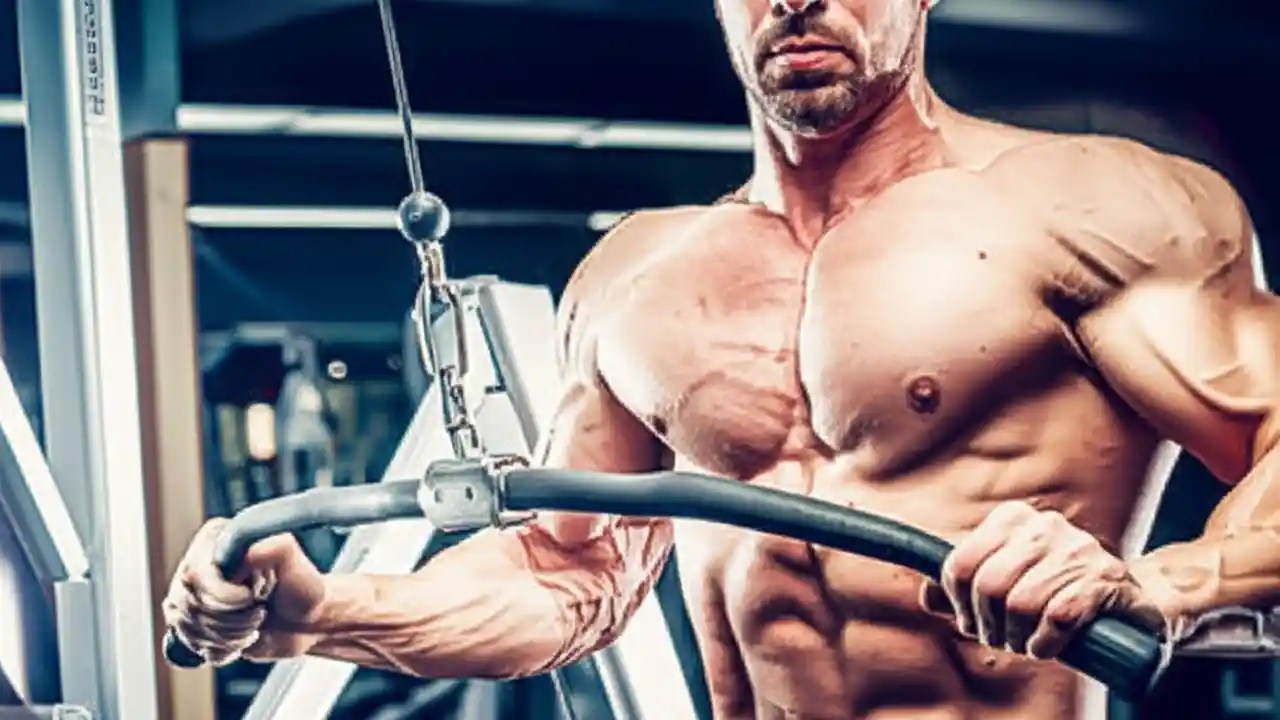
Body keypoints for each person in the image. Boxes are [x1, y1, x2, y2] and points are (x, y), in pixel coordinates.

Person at [164, 0, 1280, 717]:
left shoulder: (1094, 206)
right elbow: (570, 581)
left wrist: (1153, 584)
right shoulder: (638, 272)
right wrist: (322, 613)